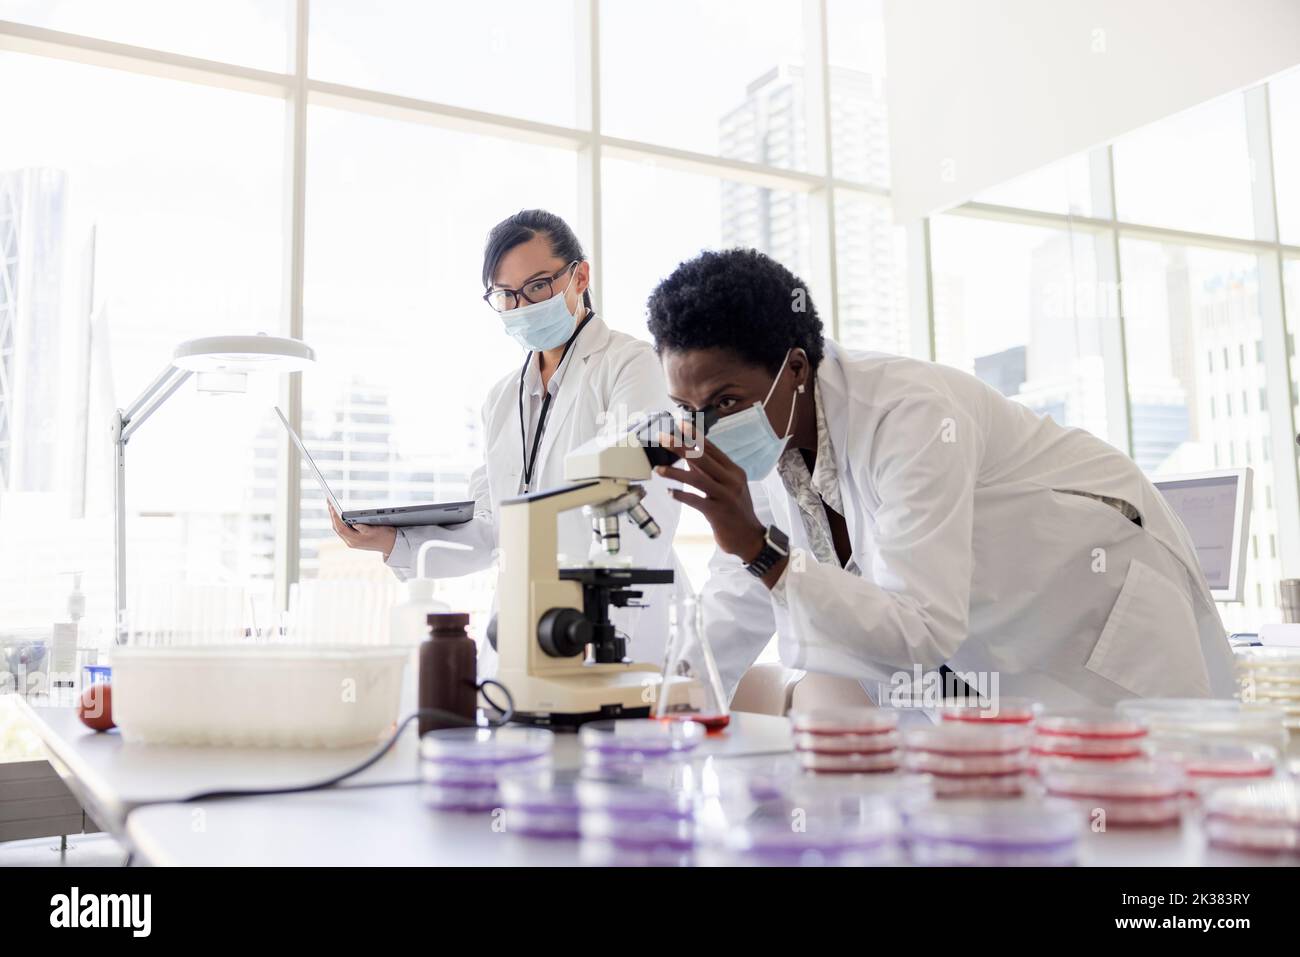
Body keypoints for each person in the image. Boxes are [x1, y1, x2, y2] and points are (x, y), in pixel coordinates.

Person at [644, 247, 1235, 709]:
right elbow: (736, 596)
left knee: (1137, 817)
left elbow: (918, 626)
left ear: (795, 368)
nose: (705, 427)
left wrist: (758, 548)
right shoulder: (775, 455)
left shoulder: (910, 414)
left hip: (1094, 596)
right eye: (686, 409)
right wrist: (665, 703)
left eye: (724, 401)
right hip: (992, 643)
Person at [330, 209, 679, 666]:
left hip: (612, 627)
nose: (523, 307)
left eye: (537, 286)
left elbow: (641, 508)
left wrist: (598, 621)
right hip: (519, 631)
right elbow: (496, 533)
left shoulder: (631, 365)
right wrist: (391, 542)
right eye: (506, 295)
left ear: (580, 276)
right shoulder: (502, 399)